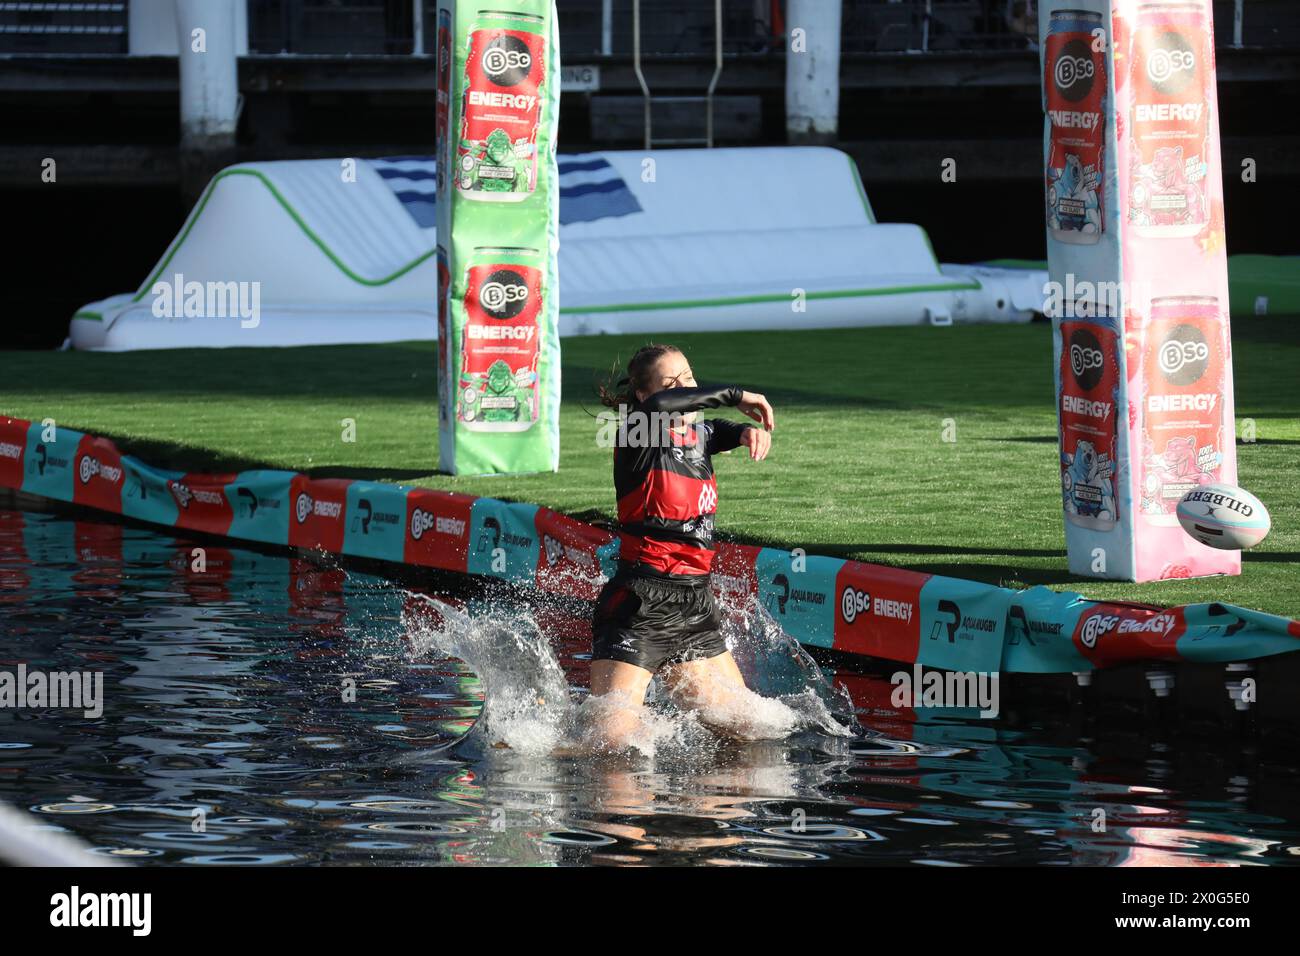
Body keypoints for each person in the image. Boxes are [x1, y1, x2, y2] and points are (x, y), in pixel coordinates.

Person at [585, 343, 775, 751]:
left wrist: (743, 432)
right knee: (610, 747)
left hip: (694, 603)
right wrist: (738, 394)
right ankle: (522, 749)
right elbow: (666, 405)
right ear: (643, 396)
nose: (685, 387)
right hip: (641, 603)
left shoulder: (696, 433)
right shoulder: (638, 429)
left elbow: (713, 430)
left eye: (689, 376)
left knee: (752, 731)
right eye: (672, 383)